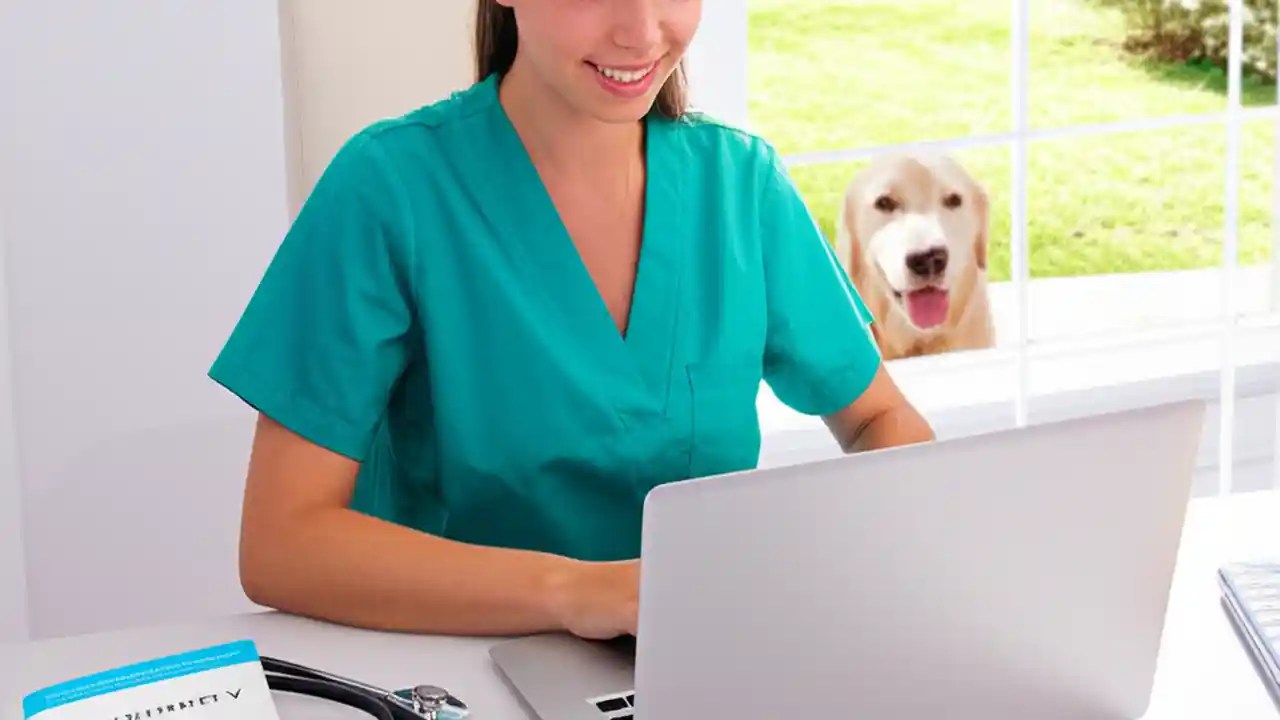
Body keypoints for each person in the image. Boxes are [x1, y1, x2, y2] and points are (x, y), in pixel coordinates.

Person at [208, 0, 935, 642]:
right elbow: (282, 545)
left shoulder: (739, 185)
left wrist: (854, 564)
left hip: (699, 660)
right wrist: (579, 592)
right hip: (454, 673)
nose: (641, 29)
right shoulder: (390, 188)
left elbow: (882, 420)